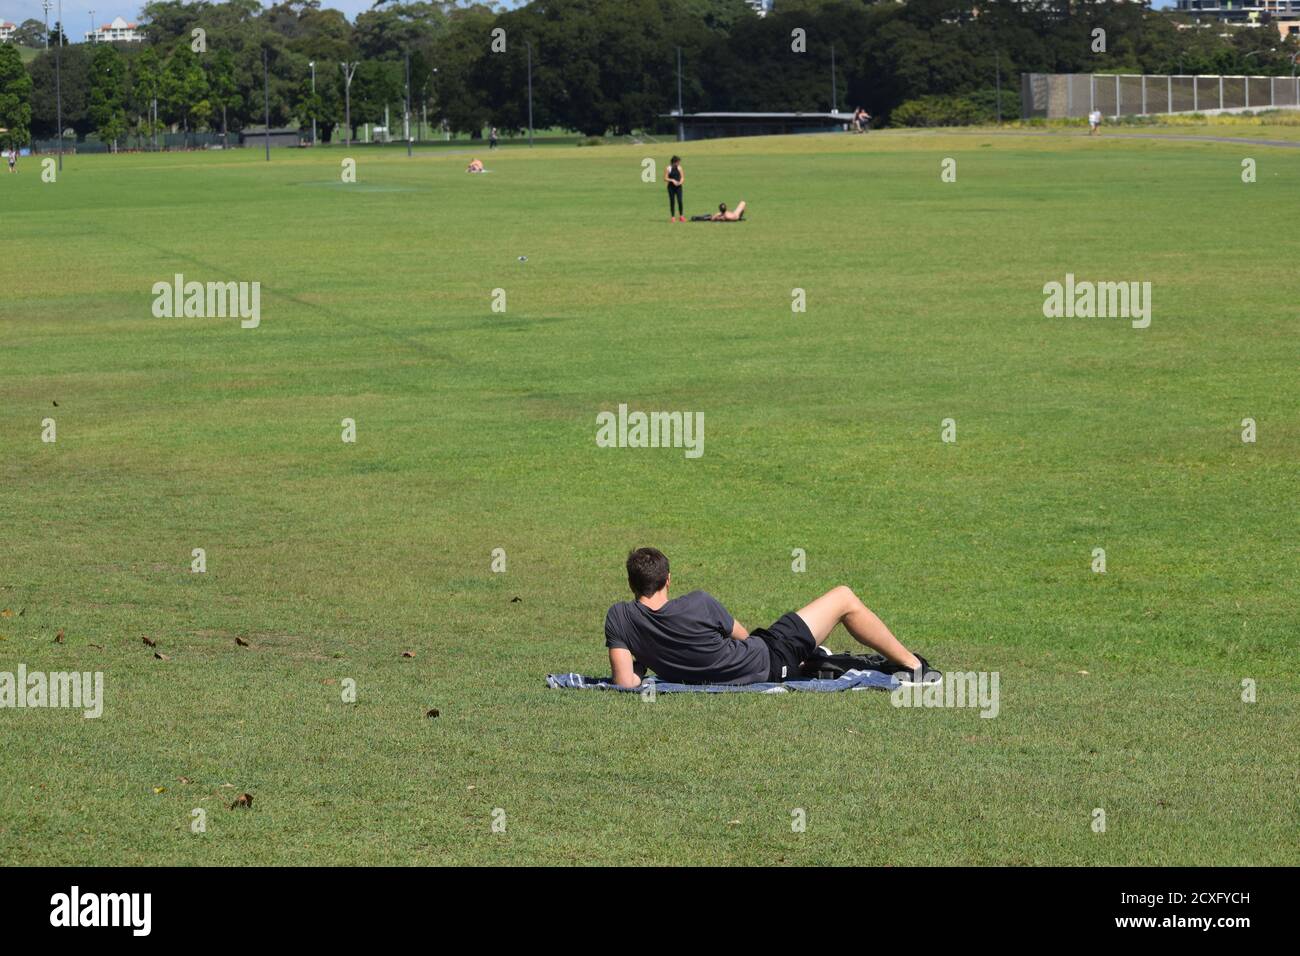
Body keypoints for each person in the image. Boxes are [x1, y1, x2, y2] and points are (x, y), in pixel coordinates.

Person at [604, 547, 940, 688]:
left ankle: (816, 660)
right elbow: (744, 636)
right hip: (769, 657)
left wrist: (644, 660)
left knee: (795, 640)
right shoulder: (699, 603)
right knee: (844, 598)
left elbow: (625, 682)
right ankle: (914, 667)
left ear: (631, 583)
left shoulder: (619, 618)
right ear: (668, 580)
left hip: (768, 663)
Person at [664, 155, 684, 222]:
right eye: (678, 162)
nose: (679, 163)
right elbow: (665, 178)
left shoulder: (680, 168)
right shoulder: (668, 168)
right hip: (671, 188)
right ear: (674, 162)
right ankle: (673, 217)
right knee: (672, 201)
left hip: (679, 187)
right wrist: (672, 180)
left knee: (680, 201)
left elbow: (682, 177)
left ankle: (681, 216)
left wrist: (680, 182)